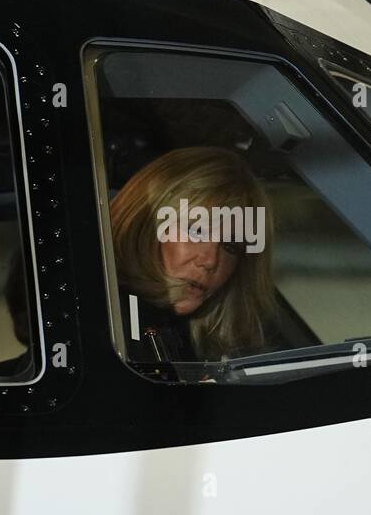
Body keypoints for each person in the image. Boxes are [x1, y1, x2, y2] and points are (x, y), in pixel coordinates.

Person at [110, 146, 279, 364]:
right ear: (146, 224)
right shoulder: (96, 312)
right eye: (197, 231)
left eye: (230, 246)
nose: (210, 261)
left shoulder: (194, 350)